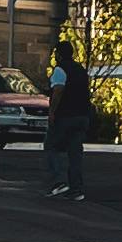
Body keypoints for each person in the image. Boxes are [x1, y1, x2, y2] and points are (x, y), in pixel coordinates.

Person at [45, 35, 91, 199]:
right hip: (82, 116)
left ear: (58, 54)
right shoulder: (80, 69)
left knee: (51, 147)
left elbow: (58, 90)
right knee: (75, 153)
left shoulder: (60, 69)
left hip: (66, 115)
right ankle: (76, 189)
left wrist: (52, 112)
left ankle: (58, 182)